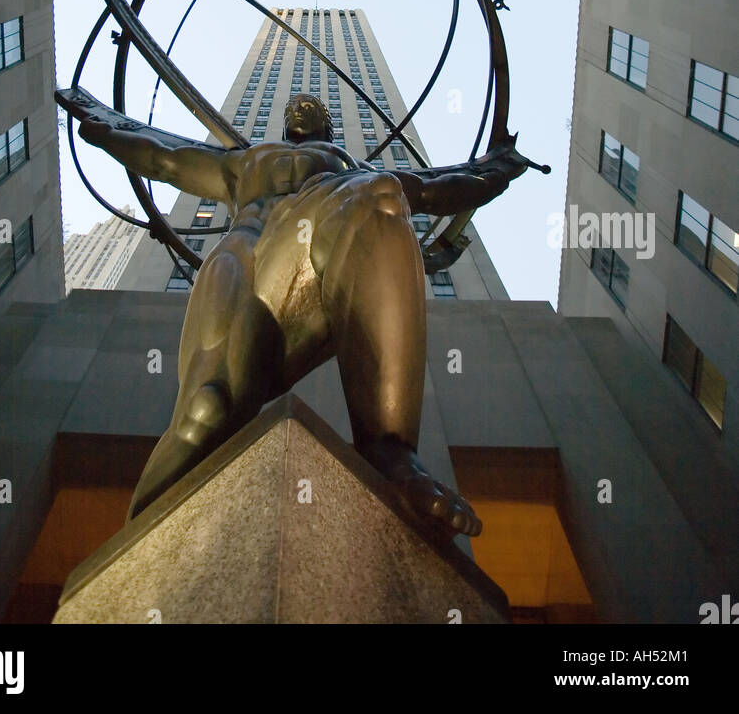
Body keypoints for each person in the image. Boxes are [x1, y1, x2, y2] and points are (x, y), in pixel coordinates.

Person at [59, 86, 529, 537]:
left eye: (311, 107)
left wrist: (500, 170)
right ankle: (134, 562)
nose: (301, 110)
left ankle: (388, 450)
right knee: (207, 408)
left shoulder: (351, 170)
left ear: (327, 123)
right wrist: (100, 128)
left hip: (317, 241)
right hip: (244, 255)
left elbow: (441, 189)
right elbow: (164, 159)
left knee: (382, 194)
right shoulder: (244, 162)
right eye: (296, 107)